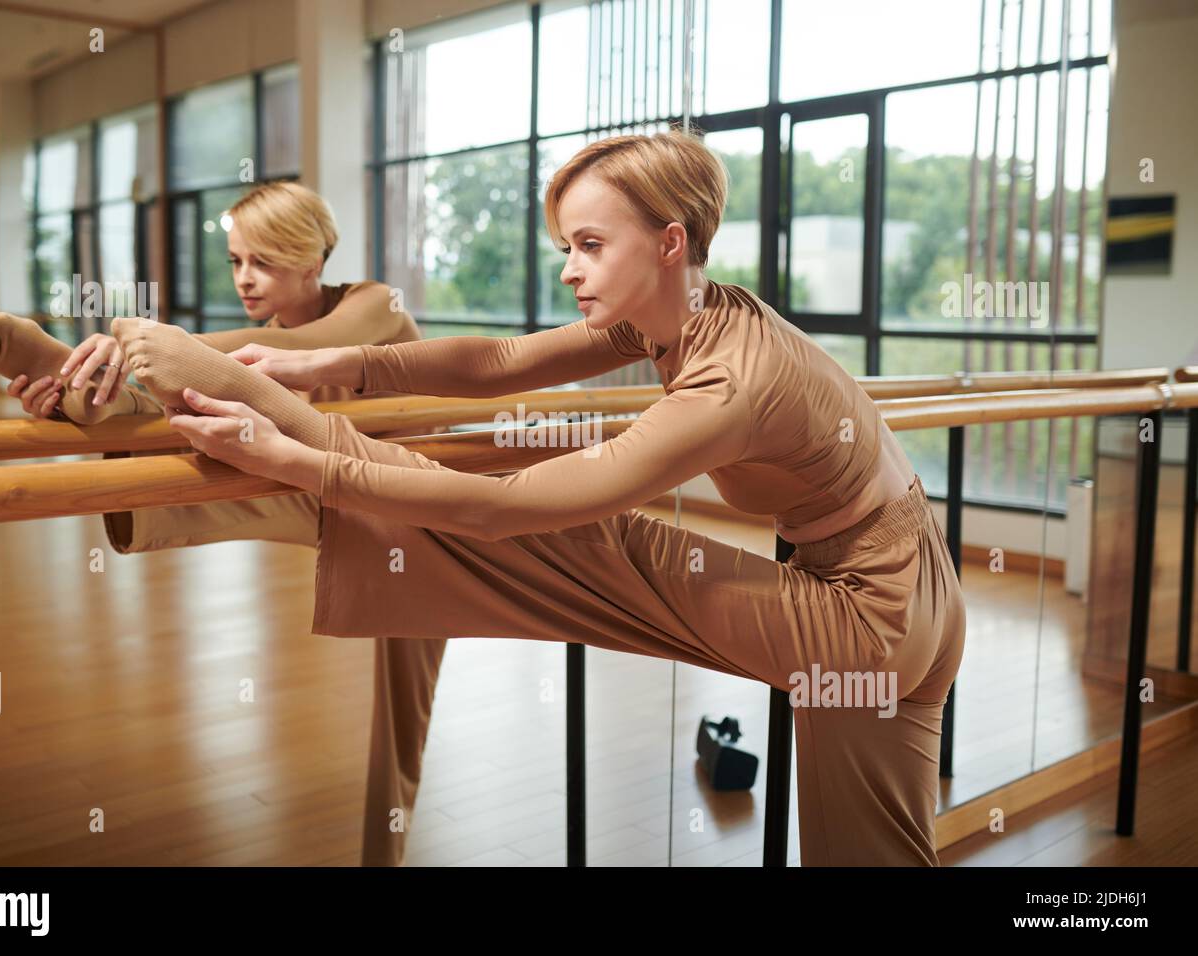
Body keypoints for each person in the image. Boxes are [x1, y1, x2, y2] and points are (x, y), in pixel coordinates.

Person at [105, 130, 968, 866]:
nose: (569, 270)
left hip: (865, 620)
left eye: (590, 245)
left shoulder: (728, 383)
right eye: (567, 247)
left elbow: (509, 508)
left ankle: (273, 428)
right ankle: (220, 410)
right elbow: (502, 364)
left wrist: (297, 455)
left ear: (669, 242)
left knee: (591, 541)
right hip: (921, 587)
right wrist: (331, 364)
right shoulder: (687, 310)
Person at [0, 181, 448, 867]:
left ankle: (385, 860)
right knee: (220, 456)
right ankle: (87, 398)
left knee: (402, 731)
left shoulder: (370, 304)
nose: (244, 279)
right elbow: (209, 386)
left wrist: (133, 341)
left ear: (313, 261)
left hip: (427, 516)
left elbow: (270, 348)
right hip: (340, 498)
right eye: (234, 261)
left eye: (262, 261)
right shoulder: (270, 344)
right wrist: (96, 387)